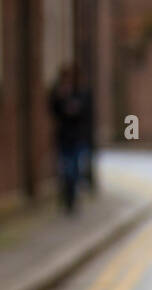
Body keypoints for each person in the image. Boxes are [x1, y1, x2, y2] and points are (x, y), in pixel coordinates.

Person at [48, 64, 87, 213]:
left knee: (75, 169)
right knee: (67, 169)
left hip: (77, 138)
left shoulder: (79, 92)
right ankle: (67, 199)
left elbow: (84, 111)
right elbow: (54, 110)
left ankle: (72, 199)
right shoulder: (58, 94)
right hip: (64, 138)